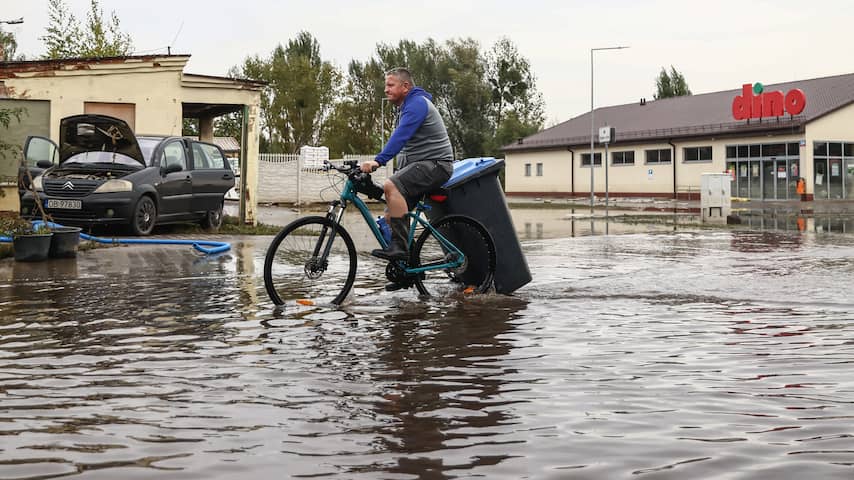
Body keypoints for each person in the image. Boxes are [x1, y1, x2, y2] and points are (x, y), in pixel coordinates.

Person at [361, 67, 454, 267]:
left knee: (391, 186)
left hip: (437, 165)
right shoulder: (405, 107)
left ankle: (401, 249)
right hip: (422, 166)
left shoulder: (417, 104)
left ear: (405, 86)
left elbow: (400, 138)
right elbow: (408, 150)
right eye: (385, 85)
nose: (385, 89)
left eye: (390, 85)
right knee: (388, 219)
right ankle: (411, 270)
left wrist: (378, 161)